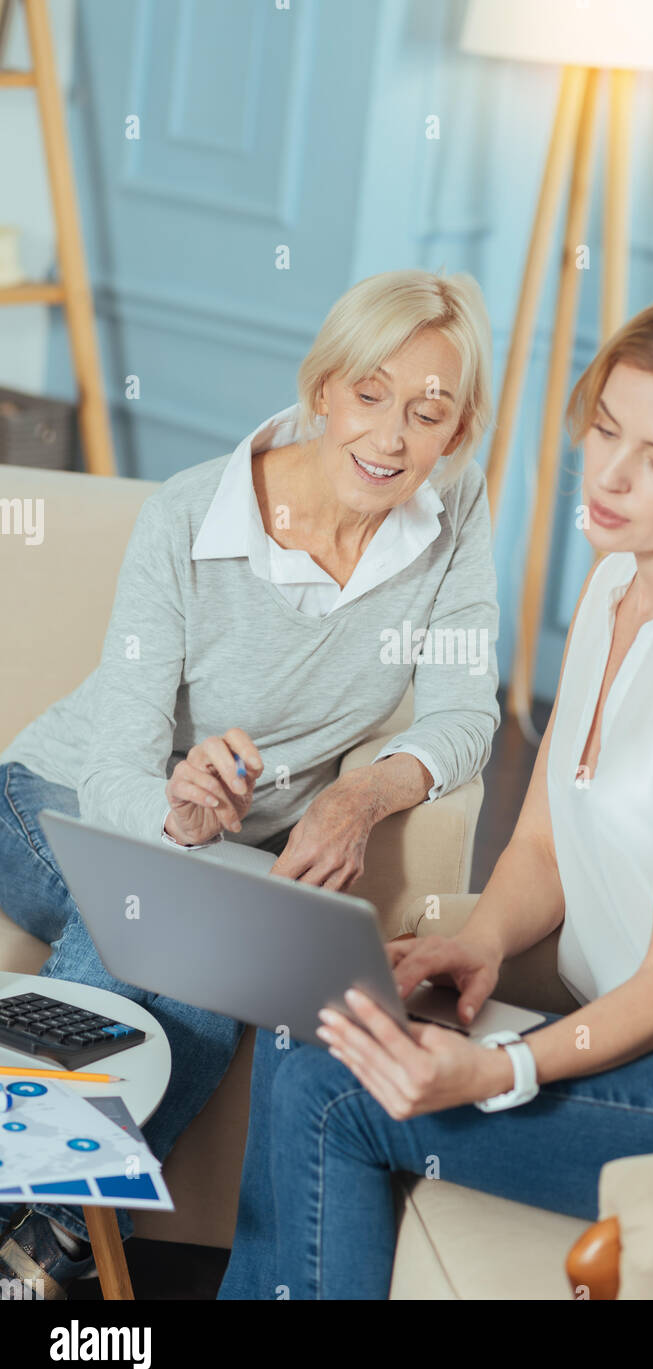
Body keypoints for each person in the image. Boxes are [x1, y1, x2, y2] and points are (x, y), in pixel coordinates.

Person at [218, 283, 653, 1301]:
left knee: (337, 1092)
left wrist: (501, 1067)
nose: (607, 477)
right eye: (605, 429)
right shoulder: (618, 582)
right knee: (326, 1030)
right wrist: (476, 944)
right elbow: (541, 852)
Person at [0, 267, 501, 1296]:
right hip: (58, 791)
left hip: (229, 845)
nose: (393, 435)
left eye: (428, 410)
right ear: (322, 389)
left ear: (457, 430)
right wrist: (179, 819)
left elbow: (465, 714)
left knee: (195, 953)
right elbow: (113, 761)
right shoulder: (190, 518)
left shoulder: (451, 518)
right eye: (369, 393)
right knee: (168, 923)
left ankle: (36, 1238)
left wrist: (360, 793)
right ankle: (56, 1250)